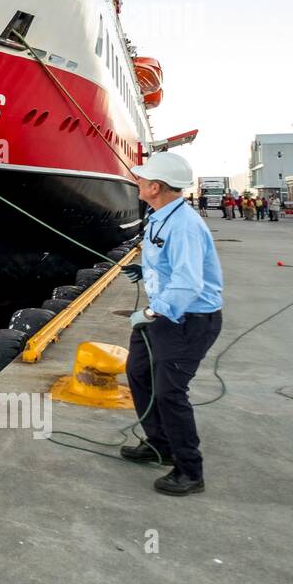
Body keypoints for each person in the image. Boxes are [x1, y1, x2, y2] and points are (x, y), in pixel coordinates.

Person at [121, 151, 223, 496]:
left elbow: (189, 283)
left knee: (170, 392)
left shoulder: (184, 225)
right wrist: (146, 272)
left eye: (141, 179)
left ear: (154, 186)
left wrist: (151, 312)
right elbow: (167, 266)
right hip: (166, 313)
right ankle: (159, 445)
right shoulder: (160, 215)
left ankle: (189, 470)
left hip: (188, 320)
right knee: (137, 372)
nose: (136, 182)